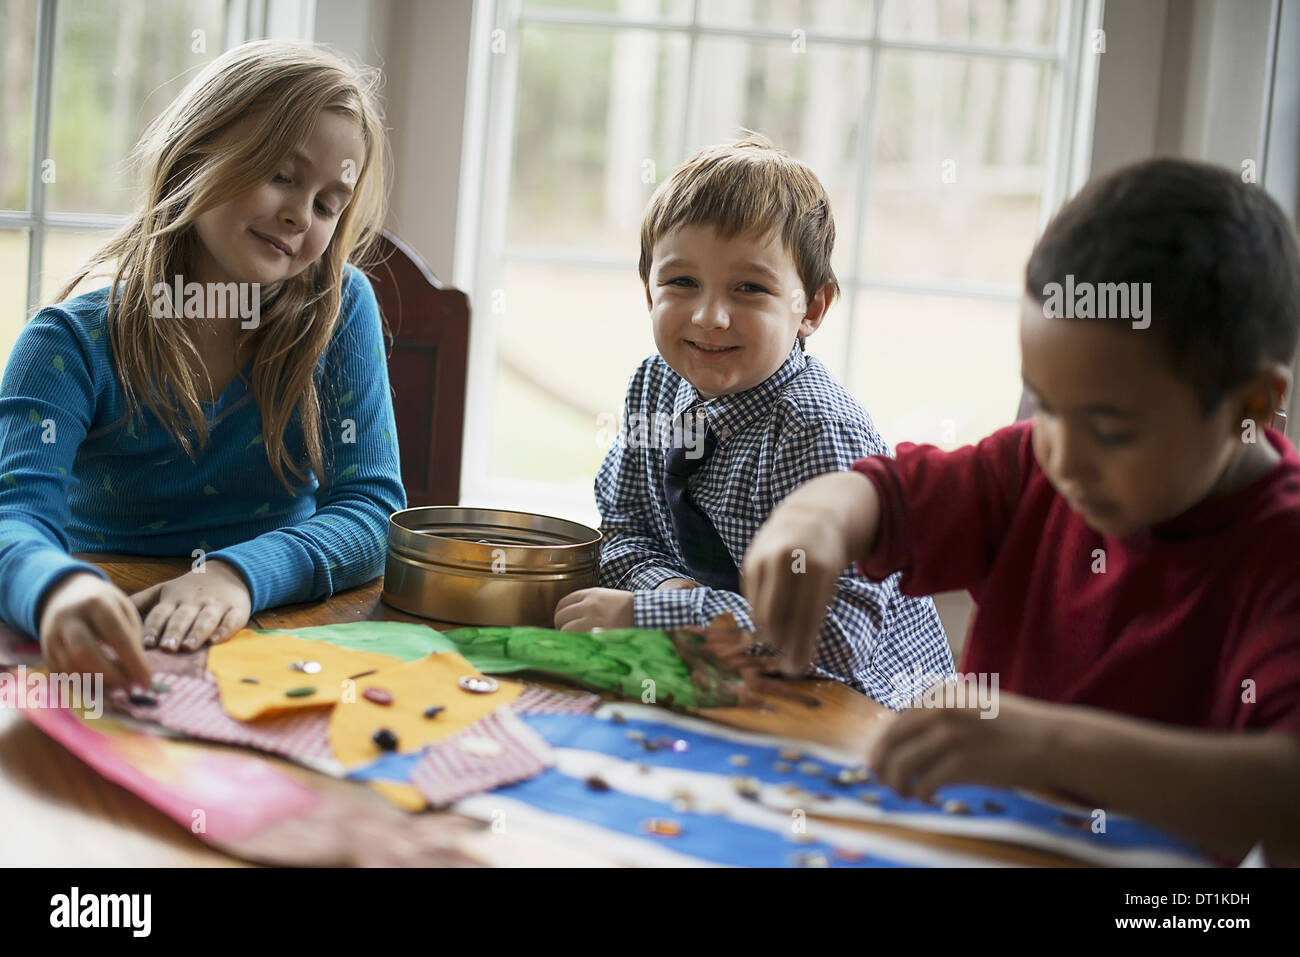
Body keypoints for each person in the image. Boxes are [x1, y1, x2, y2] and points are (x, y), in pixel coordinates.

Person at [743, 158, 1300, 863]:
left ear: (1253, 406)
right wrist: (813, 521)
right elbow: (884, 493)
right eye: (1044, 403)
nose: (1064, 456)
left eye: (1111, 428)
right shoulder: (1028, 467)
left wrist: (1042, 743)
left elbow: (1284, 788)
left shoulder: (1280, 553)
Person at [0, 40, 404, 689]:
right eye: (282, 174)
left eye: (329, 204)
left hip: (275, 639)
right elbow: (12, 520)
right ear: (195, 152)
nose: (301, 214)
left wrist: (236, 573)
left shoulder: (338, 309)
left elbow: (369, 512)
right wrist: (57, 590)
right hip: (114, 641)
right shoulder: (65, 346)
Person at [556, 136, 951, 703]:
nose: (709, 316)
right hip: (721, 677)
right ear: (648, 292)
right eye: (681, 282)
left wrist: (656, 615)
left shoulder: (816, 430)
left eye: (749, 288)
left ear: (810, 309)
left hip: (860, 710)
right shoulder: (652, 386)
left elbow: (832, 638)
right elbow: (623, 532)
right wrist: (676, 596)